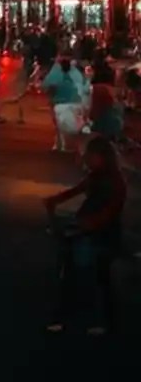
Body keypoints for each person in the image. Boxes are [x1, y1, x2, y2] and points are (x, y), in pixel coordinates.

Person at [44, 137, 127, 335]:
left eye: (91, 156)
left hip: (102, 233)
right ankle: (78, 316)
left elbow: (111, 210)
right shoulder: (97, 176)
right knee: (78, 272)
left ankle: (99, 319)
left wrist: (85, 225)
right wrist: (56, 200)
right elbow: (77, 190)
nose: (87, 159)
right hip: (89, 228)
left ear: (101, 157)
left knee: (96, 277)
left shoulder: (115, 182)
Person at [43, 58, 88, 153]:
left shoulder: (55, 76)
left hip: (59, 103)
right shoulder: (75, 76)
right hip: (75, 103)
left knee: (58, 125)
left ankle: (60, 144)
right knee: (75, 125)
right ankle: (66, 144)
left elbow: (48, 88)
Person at [87, 63, 124, 142]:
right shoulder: (112, 90)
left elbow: (93, 113)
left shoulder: (99, 89)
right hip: (115, 125)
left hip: (104, 126)